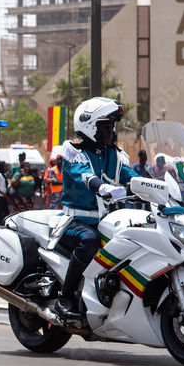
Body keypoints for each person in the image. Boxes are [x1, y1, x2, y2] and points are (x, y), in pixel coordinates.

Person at [54, 97, 141, 319]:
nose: (111, 132)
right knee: (89, 240)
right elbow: (84, 175)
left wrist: (153, 185)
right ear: (90, 126)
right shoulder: (74, 152)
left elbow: (129, 176)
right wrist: (101, 187)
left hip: (106, 222)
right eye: (106, 126)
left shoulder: (114, 155)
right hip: (75, 222)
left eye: (112, 126)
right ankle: (64, 298)